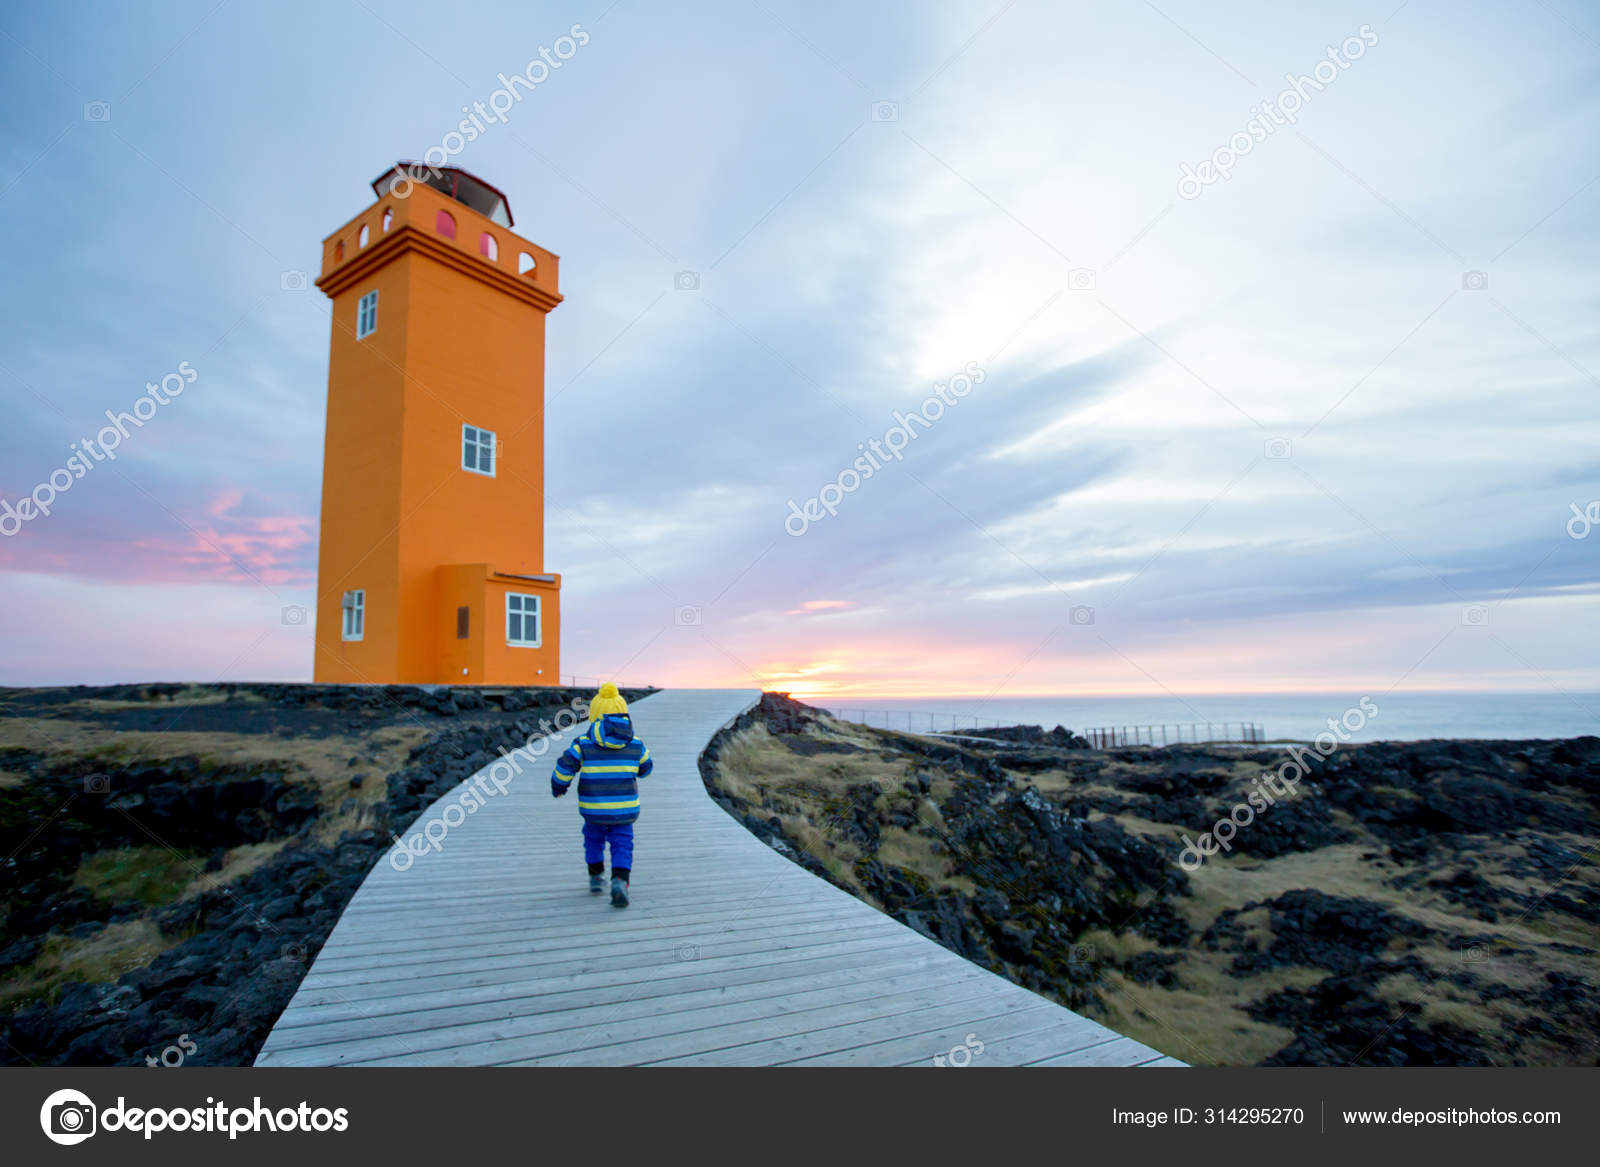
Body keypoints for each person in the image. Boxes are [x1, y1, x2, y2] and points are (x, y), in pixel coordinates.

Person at [551, 683, 652, 907]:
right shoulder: (635, 744)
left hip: (593, 810)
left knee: (593, 840)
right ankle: (620, 881)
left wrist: (559, 787)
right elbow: (647, 769)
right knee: (622, 844)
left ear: (595, 715)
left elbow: (564, 768)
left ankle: (596, 877)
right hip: (624, 811)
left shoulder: (583, 744)